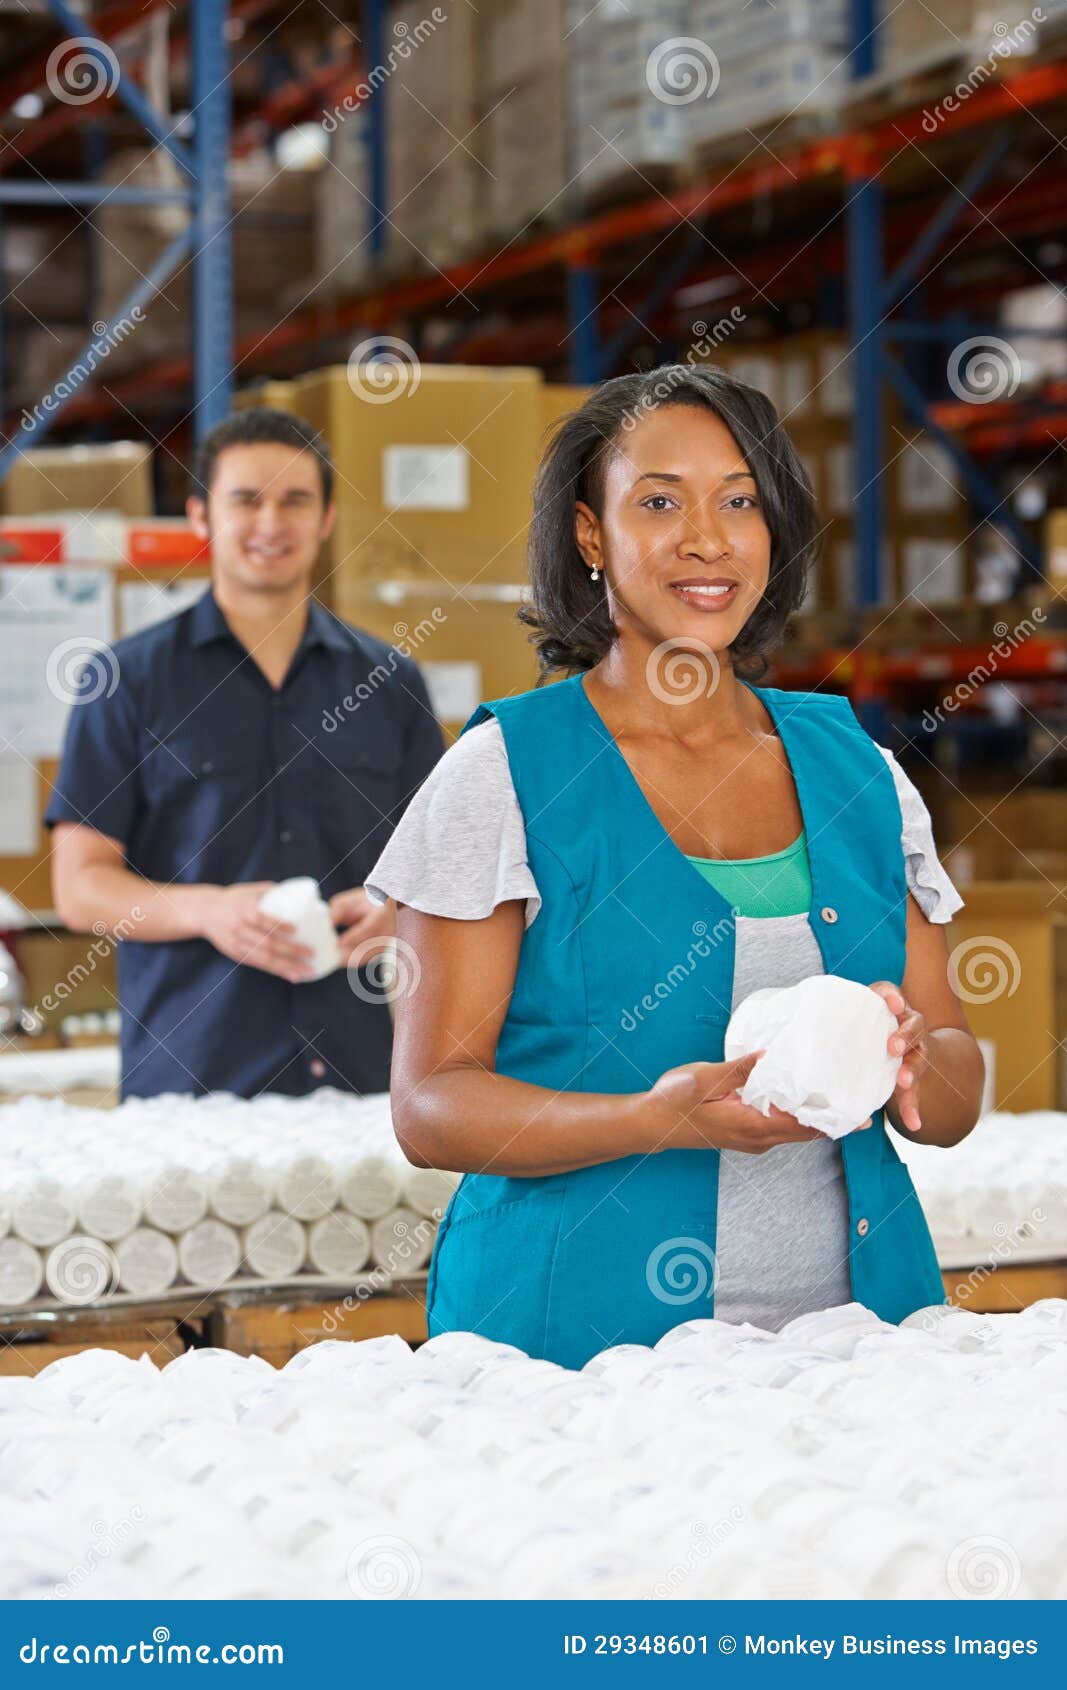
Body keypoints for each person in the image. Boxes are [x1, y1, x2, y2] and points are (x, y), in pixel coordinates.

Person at [366, 365, 985, 1370]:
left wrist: (915, 1063)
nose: (706, 538)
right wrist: (650, 1120)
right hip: (578, 1360)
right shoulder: (505, 775)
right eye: (659, 501)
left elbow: (951, 1078)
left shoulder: (860, 774)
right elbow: (429, 1105)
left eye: (738, 501)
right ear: (590, 536)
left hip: (856, 1360)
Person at [47, 409, 444, 1099]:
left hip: (367, 1076)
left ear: (325, 521)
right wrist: (208, 911)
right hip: (191, 1079)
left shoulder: (389, 683)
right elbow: (79, 887)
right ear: (200, 517)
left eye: (295, 501)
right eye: (246, 499)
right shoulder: (127, 682)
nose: (271, 522)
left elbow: (442, 864)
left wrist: (398, 910)